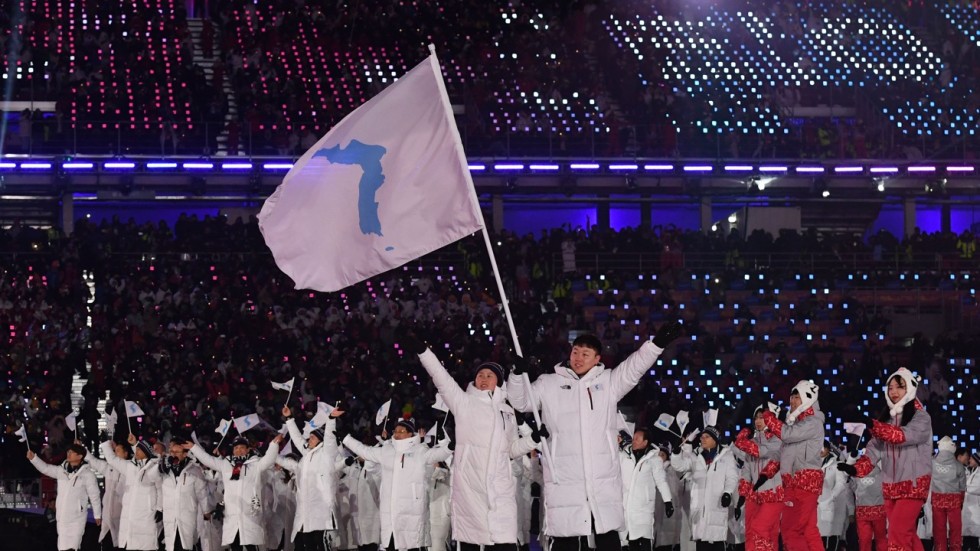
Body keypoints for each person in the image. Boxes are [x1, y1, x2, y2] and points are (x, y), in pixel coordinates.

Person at [507, 324, 682, 551]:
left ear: (597, 358)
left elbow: (634, 368)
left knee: (606, 535)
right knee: (566, 538)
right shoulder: (548, 383)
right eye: (575, 352)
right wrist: (517, 374)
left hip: (602, 477)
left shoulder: (609, 382)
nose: (578, 358)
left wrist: (655, 345)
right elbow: (521, 402)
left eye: (585, 354)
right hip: (564, 476)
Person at [405, 334, 540, 551]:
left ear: (499, 381)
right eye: (480, 375)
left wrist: (532, 440)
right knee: (472, 542)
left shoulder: (507, 412)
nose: (484, 378)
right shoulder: (464, 403)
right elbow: (441, 378)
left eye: (489, 375)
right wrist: (424, 352)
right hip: (471, 487)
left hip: (500, 490)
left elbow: (512, 449)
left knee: (504, 542)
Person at [839, 367, 933, 551]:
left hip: (913, 485)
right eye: (890, 388)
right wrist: (856, 469)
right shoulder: (886, 422)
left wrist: (871, 423)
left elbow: (900, 436)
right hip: (890, 487)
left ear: (911, 389)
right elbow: (873, 451)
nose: (894, 392)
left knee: (897, 536)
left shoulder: (921, 417)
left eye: (900, 387)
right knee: (908, 536)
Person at [341, 418, 452, 551]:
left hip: (412, 511)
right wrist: (346, 439)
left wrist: (449, 445)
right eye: (396, 431)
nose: (397, 434)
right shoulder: (387, 451)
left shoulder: (420, 451)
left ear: (411, 433)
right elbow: (364, 451)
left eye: (401, 431)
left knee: (412, 546)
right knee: (391, 546)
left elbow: (438, 454)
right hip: (390, 512)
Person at [183, 434, 284, 551]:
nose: (239, 450)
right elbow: (208, 460)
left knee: (251, 546)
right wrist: (194, 447)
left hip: (249, 514)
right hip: (232, 514)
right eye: (236, 448)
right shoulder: (226, 464)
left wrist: (274, 445)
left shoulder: (256, 464)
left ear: (248, 450)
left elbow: (269, 459)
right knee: (235, 546)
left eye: (242, 448)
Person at [762, 380, 824, 551]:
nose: (792, 401)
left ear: (808, 398)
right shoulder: (797, 423)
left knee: (791, 530)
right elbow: (783, 453)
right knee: (809, 530)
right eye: (791, 397)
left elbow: (786, 435)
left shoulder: (812, 422)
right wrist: (766, 474)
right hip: (795, 483)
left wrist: (768, 416)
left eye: (797, 397)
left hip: (803, 482)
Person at [277, 405, 343, 551]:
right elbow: (296, 437)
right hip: (306, 511)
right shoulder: (307, 454)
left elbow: (330, 438)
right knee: (309, 545)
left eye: (312, 437)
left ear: (320, 440)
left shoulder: (326, 453)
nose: (309, 439)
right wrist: (289, 418)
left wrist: (331, 419)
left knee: (323, 545)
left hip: (322, 509)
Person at [671, 426, 738, 551]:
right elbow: (679, 466)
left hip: (716, 507)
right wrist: (675, 453)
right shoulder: (695, 456)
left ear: (715, 439)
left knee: (717, 543)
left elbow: (732, 478)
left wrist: (727, 493)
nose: (703, 439)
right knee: (701, 545)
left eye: (707, 437)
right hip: (699, 512)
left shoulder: (726, 456)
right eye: (702, 437)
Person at [27, 443, 103, 551]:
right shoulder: (61, 470)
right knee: (62, 548)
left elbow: (94, 495)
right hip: (62, 517)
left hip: (77, 518)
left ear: (80, 456)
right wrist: (34, 459)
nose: (69, 454)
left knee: (74, 547)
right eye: (68, 452)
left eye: (72, 452)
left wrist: (97, 514)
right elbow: (46, 468)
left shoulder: (88, 475)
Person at [141, 438, 208, 551]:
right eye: (172, 452)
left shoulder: (194, 470)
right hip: (170, 517)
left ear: (185, 454)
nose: (173, 455)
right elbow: (149, 478)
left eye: (177, 452)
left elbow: (202, 493)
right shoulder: (164, 468)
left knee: (186, 546)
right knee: (171, 546)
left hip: (187, 516)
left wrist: (207, 511)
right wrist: (161, 466)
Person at [732, 405, 782, 551]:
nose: (758, 421)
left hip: (772, 493)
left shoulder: (778, 439)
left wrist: (741, 440)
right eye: (756, 418)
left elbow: (761, 451)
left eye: (763, 417)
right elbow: (746, 470)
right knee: (750, 532)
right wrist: (742, 495)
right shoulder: (752, 442)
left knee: (764, 531)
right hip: (754, 494)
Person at [99, 435, 161, 551]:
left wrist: (159, 507)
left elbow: (160, 488)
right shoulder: (129, 467)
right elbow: (112, 460)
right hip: (130, 515)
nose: (136, 451)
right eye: (136, 449)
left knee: (146, 545)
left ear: (146, 452)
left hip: (146, 514)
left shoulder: (155, 468)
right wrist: (106, 445)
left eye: (139, 449)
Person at [623, 428, 674, 551]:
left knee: (643, 543)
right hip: (626, 508)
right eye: (633, 438)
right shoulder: (625, 457)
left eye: (637, 439)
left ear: (645, 442)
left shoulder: (654, 460)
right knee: (627, 543)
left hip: (643, 510)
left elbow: (661, 481)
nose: (633, 441)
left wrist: (668, 501)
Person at [84, 440, 130, 551]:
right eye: (114, 451)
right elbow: (92, 461)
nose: (115, 453)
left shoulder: (131, 468)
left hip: (123, 519)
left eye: (118, 451)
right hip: (107, 519)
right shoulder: (109, 468)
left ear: (126, 453)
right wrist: (81, 449)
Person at [932, 437, 966, 551]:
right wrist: (961, 500)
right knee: (955, 529)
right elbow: (962, 487)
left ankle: (940, 548)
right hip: (954, 500)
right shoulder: (959, 466)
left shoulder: (931, 463)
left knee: (939, 528)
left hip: (937, 498)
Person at [852, 454, 886, 551]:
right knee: (880, 539)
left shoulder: (856, 474)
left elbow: (852, 488)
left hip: (863, 510)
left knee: (864, 540)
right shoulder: (882, 473)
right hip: (878, 510)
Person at [817, 441, 847, 551]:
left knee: (830, 536)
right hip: (814, 506)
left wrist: (831, 498)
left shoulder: (836, 465)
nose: (820, 449)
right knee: (816, 537)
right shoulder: (811, 464)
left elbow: (841, 484)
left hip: (830, 506)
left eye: (823, 447)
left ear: (829, 449)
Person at [964, 452, 980, 551]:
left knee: (974, 539)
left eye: (972, 459)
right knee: (968, 536)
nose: (970, 460)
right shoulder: (974, 471)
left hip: (976, 509)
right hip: (970, 510)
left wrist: (964, 487)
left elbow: (977, 488)